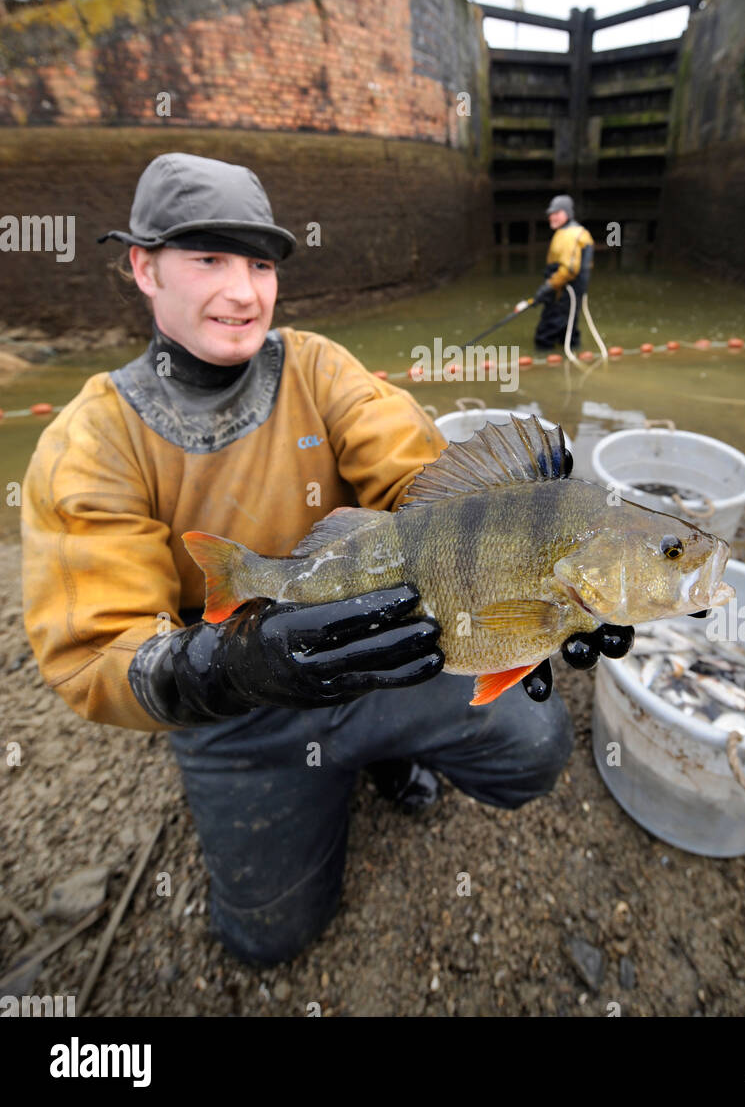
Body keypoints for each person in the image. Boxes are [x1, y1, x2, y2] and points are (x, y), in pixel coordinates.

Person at [20, 152, 630, 969]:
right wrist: (226, 666)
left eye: (261, 264)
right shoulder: (88, 440)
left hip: (384, 655)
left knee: (533, 741)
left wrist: (529, 536)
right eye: (209, 259)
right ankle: (321, 777)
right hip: (236, 714)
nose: (244, 291)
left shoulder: (318, 366)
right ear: (142, 266)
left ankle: (383, 752)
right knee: (269, 938)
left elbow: (418, 475)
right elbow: (94, 650)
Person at [532, 195, 595, 352]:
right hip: (564, 292)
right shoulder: (565, 232)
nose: (552, 217)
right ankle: (569, 366)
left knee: (545, 334)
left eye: (557, 213)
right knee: (567, 331)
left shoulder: (571, 234)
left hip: (565, 293)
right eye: (550, 214)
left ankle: (545, 368)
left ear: (567, 213)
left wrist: (548, 287)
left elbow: (570, 269)